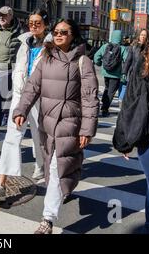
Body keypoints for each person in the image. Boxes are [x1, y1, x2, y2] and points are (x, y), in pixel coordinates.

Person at [11, 19, 99, 234]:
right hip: (46, 122)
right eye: (56, 31)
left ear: (73, 35)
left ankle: (47, 220)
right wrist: (21, 109)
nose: (58, 35)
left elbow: (90, 98)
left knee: (57, 168)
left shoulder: (83, 61)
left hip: (69, 121)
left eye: (64, 32)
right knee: (54, 165)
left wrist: (87, 129)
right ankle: (63, 190)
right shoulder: (45, 58)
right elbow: (32, 87)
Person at [0, 9, 52, 204]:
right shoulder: (24, 41)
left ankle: (41, 167)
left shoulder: (53, 46)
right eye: (31, 22)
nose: (33, 26)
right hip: (20, 97)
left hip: (41, 99)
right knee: (11, 137)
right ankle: (1, 185)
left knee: (41, 138)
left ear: (46, 24)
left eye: (37, 22)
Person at [113, 39, 149, 234]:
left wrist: (124, 139)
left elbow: (130, 100)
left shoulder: (147, 60)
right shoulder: (145, 61)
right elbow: (131, 98)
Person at [0, 6, 24, 133]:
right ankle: (5, 116)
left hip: (9, 71)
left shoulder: (20, 32)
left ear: (11, 16)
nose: (1, 17)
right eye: (0, 15)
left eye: (4, 15)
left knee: (2, 99)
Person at [94, 30, 128, 117]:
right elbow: (127, 60)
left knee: (107, 89)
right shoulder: (122, 48)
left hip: (105, 72)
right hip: (116, 74)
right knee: (111, 92)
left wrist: (99, 64)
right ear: (120, 37)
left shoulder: (105, 46)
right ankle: (105, 109)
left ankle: (103, 105)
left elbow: (96, 56)